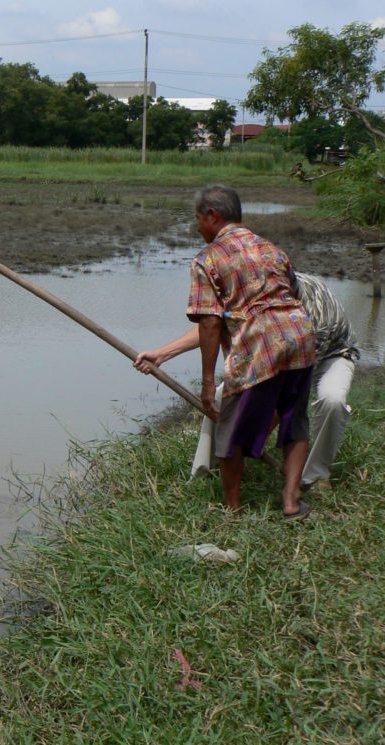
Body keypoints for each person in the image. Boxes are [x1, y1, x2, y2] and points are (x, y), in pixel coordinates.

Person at [135, 184, 317, 518]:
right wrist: (162, 354)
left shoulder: (208, 259)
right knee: (296, 422)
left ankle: (232, 512)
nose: (197, 227)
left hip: (259, 346)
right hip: (302, 338)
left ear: (212, 216)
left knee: (227, 435)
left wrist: (208, 384)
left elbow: (211, 324)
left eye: (198, 219)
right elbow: (286, 297)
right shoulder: (272, 249)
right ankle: (291, 503)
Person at [136, 272, 359, 492]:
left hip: (333, 354)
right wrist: (161, 355)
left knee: (332, 400)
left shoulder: (314, 314)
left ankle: (315, 477)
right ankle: (205, 471)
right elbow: (214, 325)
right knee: (222, 396)